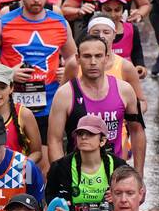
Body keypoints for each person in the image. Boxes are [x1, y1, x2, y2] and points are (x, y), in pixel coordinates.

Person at [0, 0, 76, 147]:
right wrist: (6, 73)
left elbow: (73, 57)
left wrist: (66, 72)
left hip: (50, 103)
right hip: (13, 103)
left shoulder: (60, 23)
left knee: (46, 162)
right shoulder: (4, 22)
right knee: (15, 159)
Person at [47, 34, 144, 173]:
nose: (93, 62)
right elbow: (54, 140)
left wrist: (139, 174)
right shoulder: (65, 94)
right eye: (87, 56)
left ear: (107, 58)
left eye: (98, 56)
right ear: (77, 59)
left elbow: (137, 131)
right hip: (78, 174)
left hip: (115, 173)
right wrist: (63, 177)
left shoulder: (125, 90)